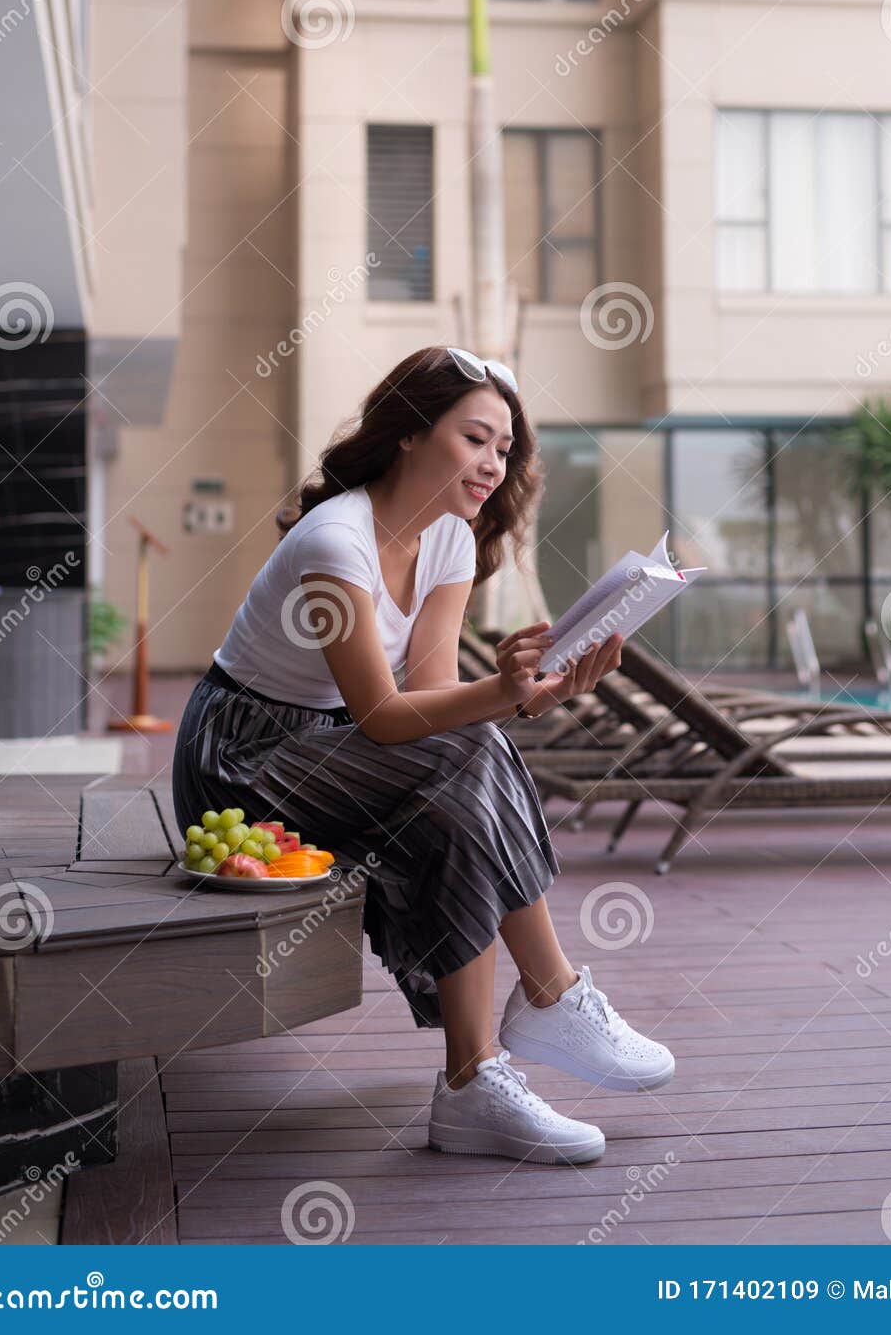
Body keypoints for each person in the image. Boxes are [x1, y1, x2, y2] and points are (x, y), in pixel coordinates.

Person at [172, 344, 675, 1165]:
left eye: (504, 449)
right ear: (408, 432)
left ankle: (477, 1081)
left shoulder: (451, 538)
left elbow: (433, 701)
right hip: (243, 754)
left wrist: (540, 691)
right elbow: (380, 713)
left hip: (334, 745)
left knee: (464, 768)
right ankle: (542, 1004)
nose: (491, 464)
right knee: (466, 756)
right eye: (474, 438)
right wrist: (504, 694)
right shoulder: (334, 543)